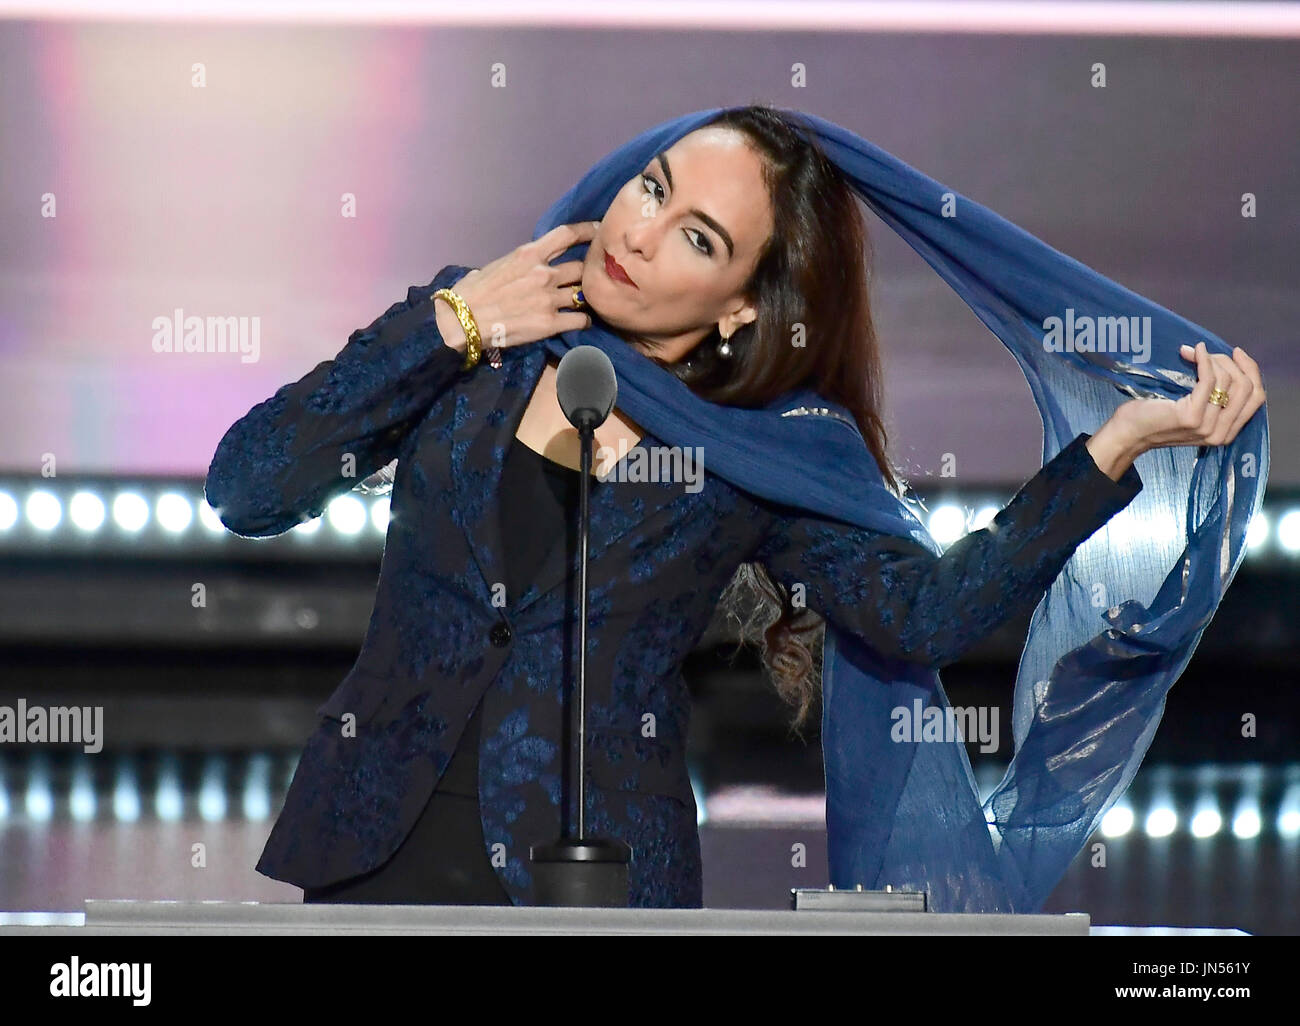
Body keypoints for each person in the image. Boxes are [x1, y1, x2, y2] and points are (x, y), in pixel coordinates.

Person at [207, 105, 1266, 911]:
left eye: (700, 238)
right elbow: (249, 489)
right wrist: (446, 326)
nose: (640, 229)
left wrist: (1112, 447)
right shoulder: (484, 330)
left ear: (745, 303)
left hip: (599, 882)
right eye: (652, 188)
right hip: (372, 849)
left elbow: (925, 617)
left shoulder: (769, 448)